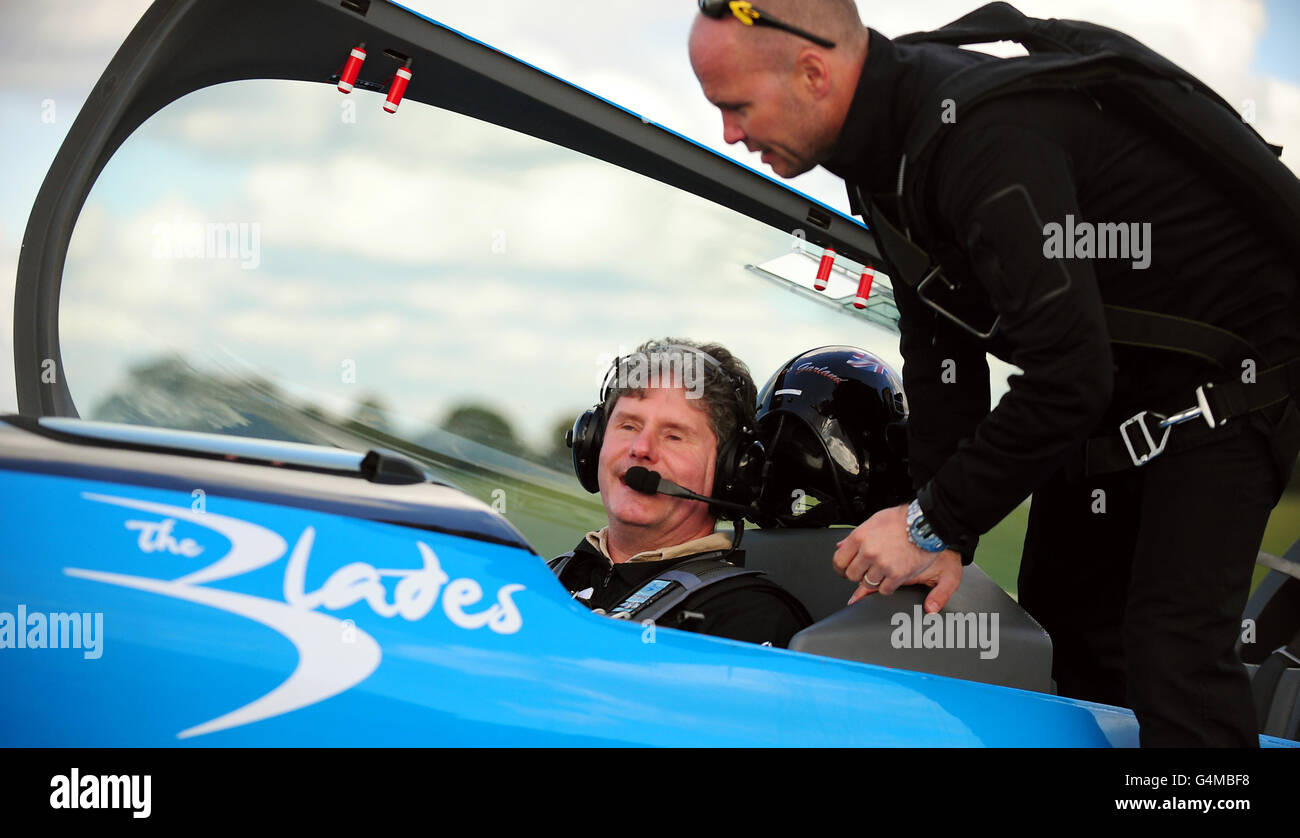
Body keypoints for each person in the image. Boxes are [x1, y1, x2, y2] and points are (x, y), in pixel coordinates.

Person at [688, 1, 1300, 745]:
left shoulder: (984, 143)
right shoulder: (882, 153)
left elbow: (1069, 376)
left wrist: (931, 520)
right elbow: (940, 350)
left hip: (1232, 384)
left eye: (735, 106)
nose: (729, 132)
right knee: (1066, 631)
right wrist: (945, 536)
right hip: (1112, 390)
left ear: (814, 72)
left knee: (1174, 651)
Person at [556, 338, 811, 647]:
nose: (641, 449)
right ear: (593, 442)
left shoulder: (749, 621)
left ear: (730, 470)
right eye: (628, 426)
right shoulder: (540, 579)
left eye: (674, 436)